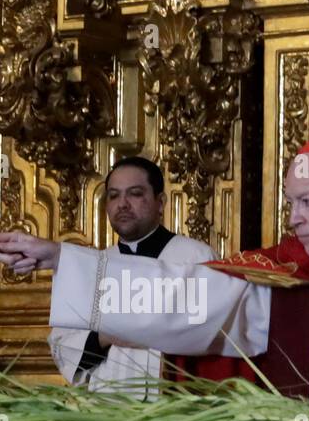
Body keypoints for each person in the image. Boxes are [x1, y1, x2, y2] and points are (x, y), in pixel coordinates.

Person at [0, 132, 309, 406]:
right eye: (290, 202)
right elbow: (183, 299)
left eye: (307, 202)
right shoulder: (284, 271)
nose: (293, 218)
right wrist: (60, 257)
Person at [48, 156, 215, 398]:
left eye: (135, 193)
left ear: (160, 202)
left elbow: (212, 334)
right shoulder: (92, 267)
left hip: (178, 405)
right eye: (114, 195)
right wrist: (106, 336)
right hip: (108, 407)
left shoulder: (196, 257)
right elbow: (62, 343)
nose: (122, 204)